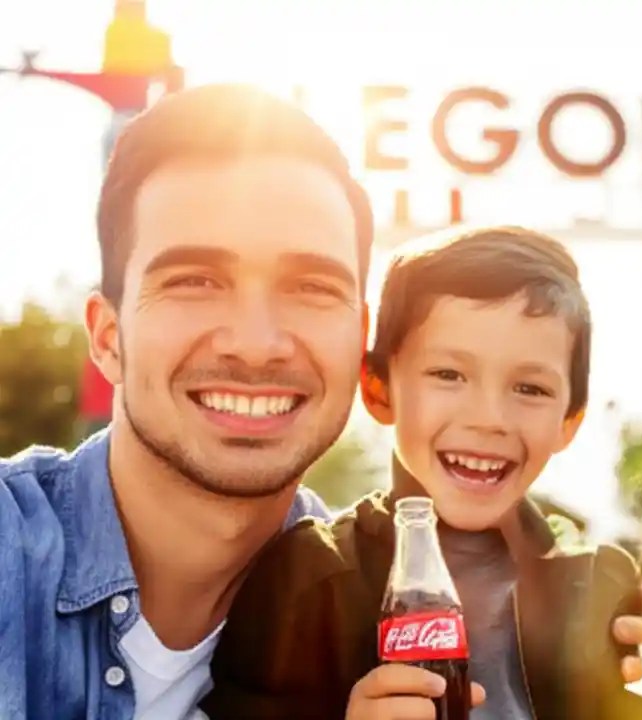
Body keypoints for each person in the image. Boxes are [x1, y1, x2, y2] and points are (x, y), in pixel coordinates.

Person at [202, 227, 642, 720]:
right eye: (448, 375)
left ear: (570, 420)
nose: (489, 419)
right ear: (378, 389)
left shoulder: (601, 583)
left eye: (530, 389)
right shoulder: (307, 579)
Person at [0, 83, 369, 719]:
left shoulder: (389, 619)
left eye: (311, 286)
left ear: (360, 339)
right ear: (108, 338)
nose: (257, 345)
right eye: (195, 281)